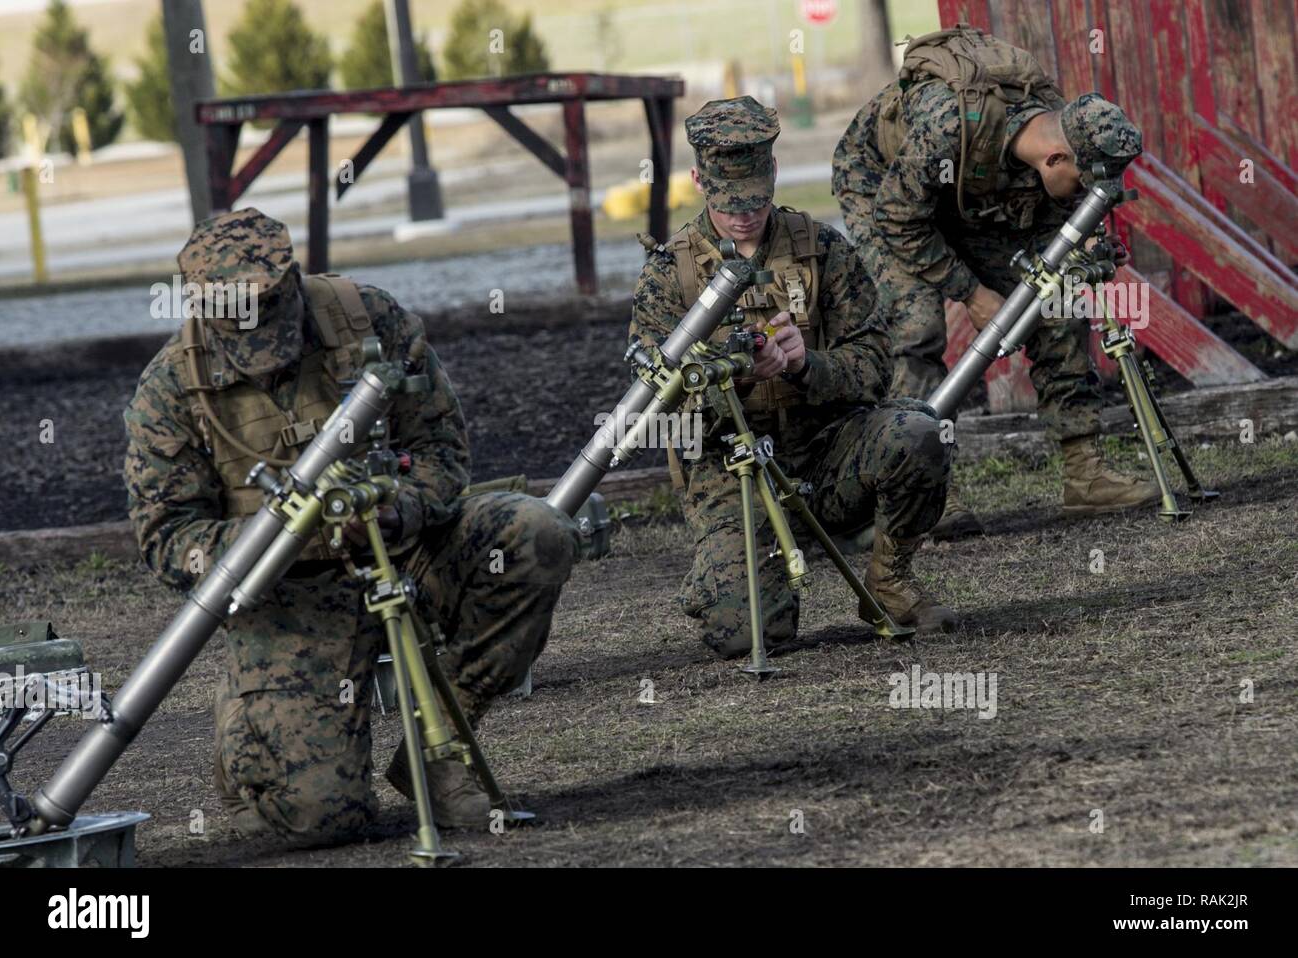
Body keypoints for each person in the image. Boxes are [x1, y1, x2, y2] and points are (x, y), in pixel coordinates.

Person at [123, 208, 580, 846]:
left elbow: (442, 452)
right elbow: (166, 538)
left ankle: (437, 753)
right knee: (321, 820)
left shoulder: (366, 319)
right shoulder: (172, 390)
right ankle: (254, 737)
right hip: (291, 595)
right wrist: (284, 537)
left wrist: (399, 507)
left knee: (538, 535)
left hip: (404, 550)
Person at [629, 96, 956, 659]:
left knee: (918, 433)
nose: (743, 215)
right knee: (752, 635)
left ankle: (889, 580)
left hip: (824, 450)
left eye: (755, 199)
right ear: (697, 181)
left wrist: (808, 366)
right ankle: (720, 570)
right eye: (729, 202)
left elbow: (876, 360)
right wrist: (737, 381)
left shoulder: (820, 248)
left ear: (774, 173)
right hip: (733, 470)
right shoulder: (669, 273)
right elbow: (656, 408)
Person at [832, 26, 1159, 536]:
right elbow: (900, 217)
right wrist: (972, 292)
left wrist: (1087, 240)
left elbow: (1058, 209)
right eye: (1082, 184)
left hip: (969, 196)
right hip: (882, 186)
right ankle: (918, 490)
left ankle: (1085, 473)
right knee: (915, 326)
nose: (1085, 195)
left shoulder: (1056, 123)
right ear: (1054, 158)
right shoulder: (947, 123)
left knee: (1058, 301)